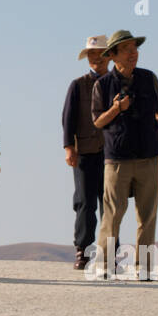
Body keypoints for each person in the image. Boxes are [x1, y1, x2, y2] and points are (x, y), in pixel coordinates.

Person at [91, 29, 158, 280]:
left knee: (148, 216)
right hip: (117, 160)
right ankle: (104, 264)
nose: (133, 53)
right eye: (126, 49)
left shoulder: (149, 78)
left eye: (135, 48)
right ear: (112, 55)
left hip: (149, 157)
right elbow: (98, 121)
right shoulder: (102, 85)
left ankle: (143, 267)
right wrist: (116, 108)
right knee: (112, 215)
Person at [63, 36, 110, 271]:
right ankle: (82, 249)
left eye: (100, 53)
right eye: (91, 54)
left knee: (110, 204)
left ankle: (109, 252)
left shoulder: (116, 84)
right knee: (84, 202)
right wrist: (68, 148)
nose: (95, 58)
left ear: (109, 56)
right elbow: (68, 118)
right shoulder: (78, 85)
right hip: (84, 152)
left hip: (112, 154)